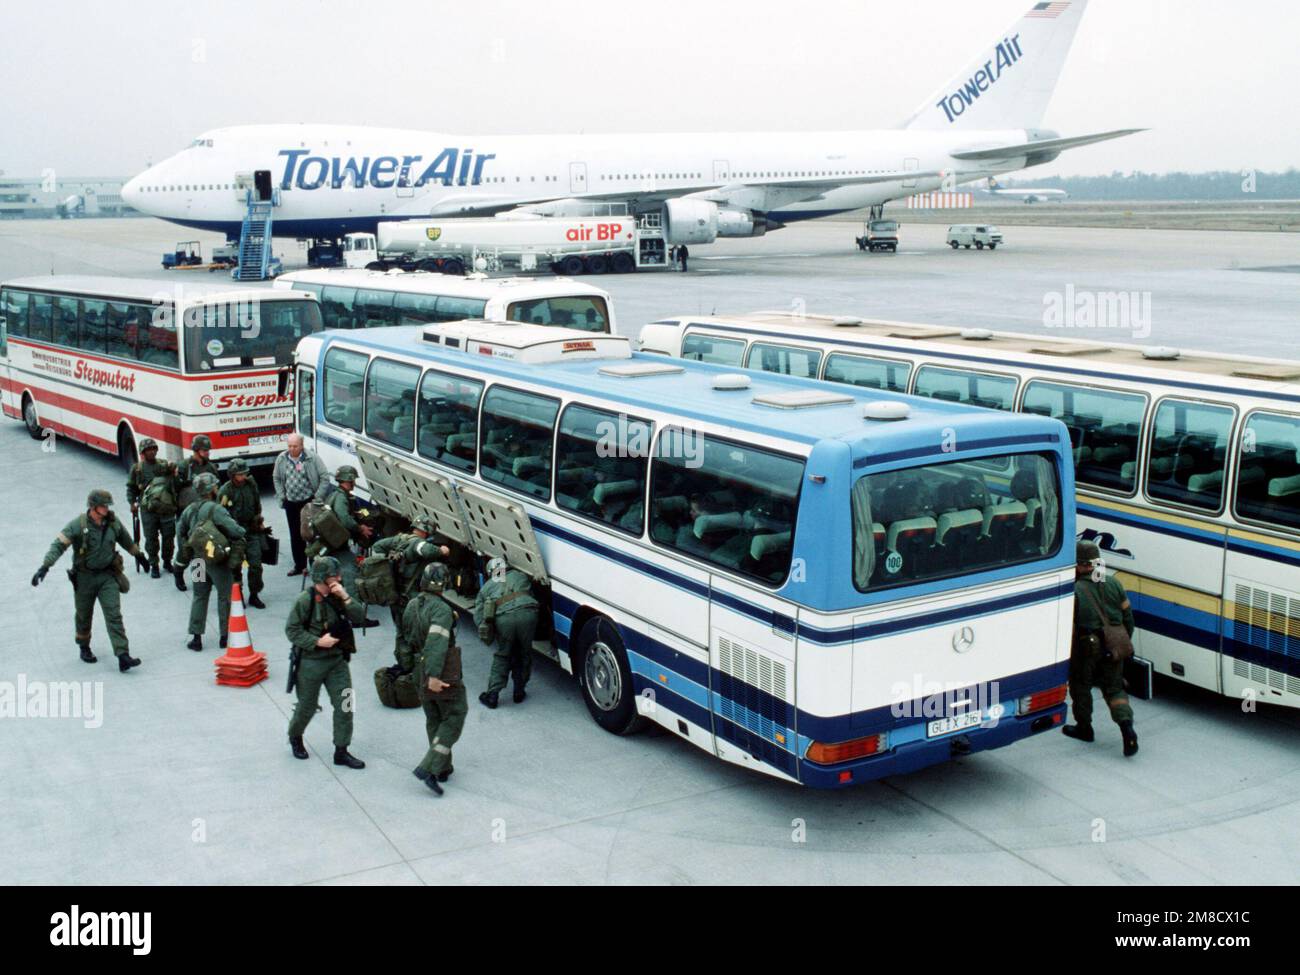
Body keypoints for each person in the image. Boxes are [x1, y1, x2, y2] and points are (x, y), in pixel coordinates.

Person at [32, 489, 149, 671]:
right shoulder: (77, 525)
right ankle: (84, 646)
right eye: (104, 506)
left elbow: (125, 540)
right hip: (84, 578)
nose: (107, 509)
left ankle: (122, 655)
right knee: (84, 615)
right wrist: (45, 566)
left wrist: (139, 556)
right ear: (94, 507)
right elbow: (59, 545)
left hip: (107, 576)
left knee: (114, 615)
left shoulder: (113, 523)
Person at [285, 555, 368, 768]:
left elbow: (359, 617)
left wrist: (347, 598)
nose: (339, 578)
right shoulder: (305, 600)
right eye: (334, 576)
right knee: (307, 706)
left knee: (346, 703)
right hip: (311, 663)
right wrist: (317, 641)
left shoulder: (339, 596)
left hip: (337, 662)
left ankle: (342, 750)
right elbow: (292, 630)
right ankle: (295, 735)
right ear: (323, 578)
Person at [1064, 540, 1139, 757]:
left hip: (1086, 646)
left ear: (1078, 563)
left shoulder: (1076, 589)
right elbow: (1128, 618)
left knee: (1081, 686)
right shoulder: (1114, 583)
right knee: (1115, 689)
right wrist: (1120, 643)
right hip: (1114, 644)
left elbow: (1071, 626)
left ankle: (1084, 729)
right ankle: (1127, 729)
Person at [404, 563, 466, 794]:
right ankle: (429, 768)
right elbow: (437, 644)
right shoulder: (440, 609)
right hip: (439, 669)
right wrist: (433, 676)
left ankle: (443, 767)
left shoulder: (412, 605)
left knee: (434, 717)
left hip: (418, 667)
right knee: (455, 714)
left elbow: (404, 638)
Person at [175, 472, 246, 651]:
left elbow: (180, 532)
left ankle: (196, 637)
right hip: (216, 562)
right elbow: (236, 531)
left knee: (199, 596)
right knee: (225, 596)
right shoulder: (216, 510)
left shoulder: (189, 509)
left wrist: (185, 554)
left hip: (197, 561)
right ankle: (225, 636)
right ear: (211, 489)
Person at [370, 517, 450, 656]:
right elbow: (426, 550)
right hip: (410, 596)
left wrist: (386, 567)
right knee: (415, 632)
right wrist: (442, 550)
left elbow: (377, 546)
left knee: (401, 632)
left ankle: (402, 663)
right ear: (427, 531)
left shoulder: (399, 539)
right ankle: (413, 665)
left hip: (395, 592)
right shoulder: (417, 543)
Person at [474, 557, 539, 708]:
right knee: (524, 653)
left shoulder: (487, 587)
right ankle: (519, 692)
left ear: (491, 571)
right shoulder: (521, 576)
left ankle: (492, 695)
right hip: (528, 616)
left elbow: (479, 615)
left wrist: (487, 631)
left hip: (505, 620)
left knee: (503, 655)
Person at [309, 465, 375, 596]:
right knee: (352, 572)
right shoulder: (341, 498)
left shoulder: (335, 494)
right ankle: (353, 603)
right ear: (349, 480)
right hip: (336, 546)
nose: (354, 483)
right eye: (353, 480)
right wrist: (360, 528)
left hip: (330, 542)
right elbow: (344, 518)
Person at [272, 433, 328, 576]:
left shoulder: (312, 458)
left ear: (302, 445)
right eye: (289, 446)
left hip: (308, 502)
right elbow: (277, 478)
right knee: (295, 534)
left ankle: (315, 565)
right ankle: (300, 565)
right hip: (291, 503)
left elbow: (324, 477)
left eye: (295, 446)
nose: (292, 449)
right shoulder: (282, 459)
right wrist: (282, 497)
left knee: (311, 534)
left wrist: (317, 498)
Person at [124, 437, 178, 578]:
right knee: (151, 538)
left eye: (153, 449)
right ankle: (154, 564)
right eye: (148, 450)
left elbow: (173, 481)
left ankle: (167, 560)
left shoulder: (163, 465)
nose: (152, 452)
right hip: (148, 510)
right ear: (142, 453)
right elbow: (131, 488)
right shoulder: (137, 469)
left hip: (166, 508)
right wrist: (132, 503)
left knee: (168, 537)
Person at [219, 458, 267, 609]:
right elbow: (220, 513)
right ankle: (237, 594)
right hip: (234, 533)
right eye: (240, 474)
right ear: (232, 475)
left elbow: (257, 504)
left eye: (245, 474)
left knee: (256, 564)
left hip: (252, 530)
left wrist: (259, 520)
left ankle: (254, 594)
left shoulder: (251, 485)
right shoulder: (225, 491)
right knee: (235, 566)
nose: (243, 477)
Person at [175, 434, 219, 506]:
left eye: (208, 450)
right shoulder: (184, 466)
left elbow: (217, 488)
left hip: (207, 507)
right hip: (189, 507)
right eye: (205, 450)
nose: (208, 453)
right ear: (196, 450)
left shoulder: (211, 467)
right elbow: (176, 488)